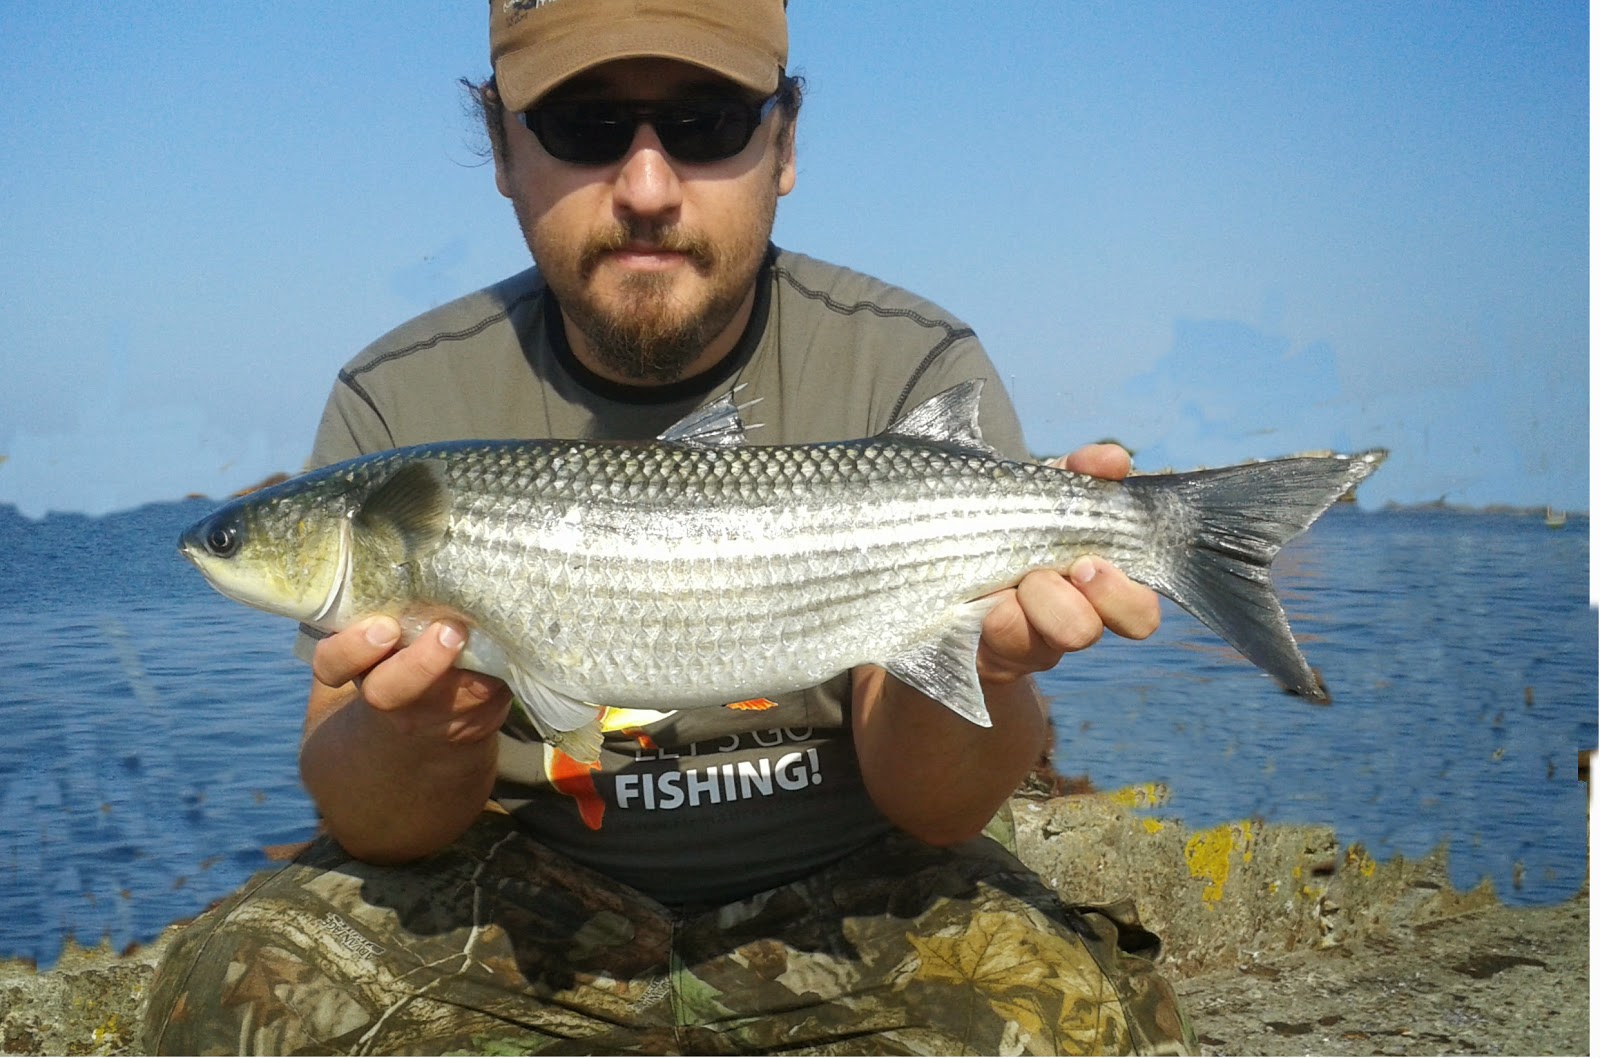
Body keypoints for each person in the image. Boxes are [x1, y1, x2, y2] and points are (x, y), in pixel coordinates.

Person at [141, 1, 1196, 1053]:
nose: (647, 187)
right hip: (520, 900)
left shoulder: (910, 359)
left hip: (858, 879)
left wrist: (992, 666)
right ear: (503, 147)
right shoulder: (396, 398)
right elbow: (377, 821)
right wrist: (425, 726)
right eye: (584, 127)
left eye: (704, 123)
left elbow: (938, 808)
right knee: (229, 1001)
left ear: (783, 143)